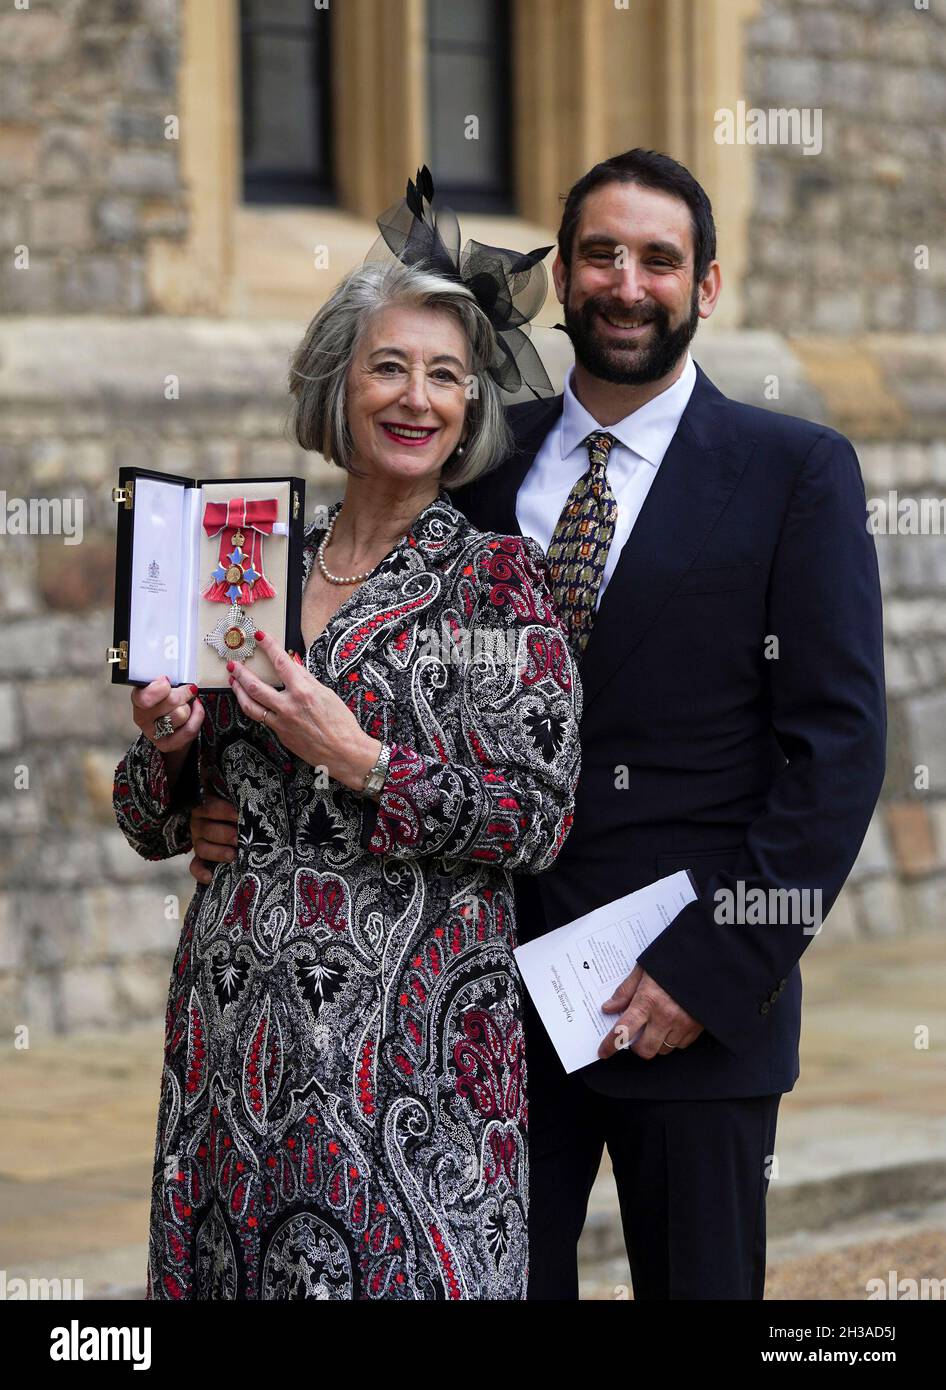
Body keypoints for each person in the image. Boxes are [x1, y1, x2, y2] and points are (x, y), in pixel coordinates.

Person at [452, 148, 886, 1299]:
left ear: (705, 286)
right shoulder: (480, 468)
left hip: (687, 1002)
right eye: (601, 254)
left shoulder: (793, 471)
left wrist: (711, 967)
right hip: (485, 1004)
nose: (626, 282)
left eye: (659, 258)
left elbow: (833, 755)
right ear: (566, 273)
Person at [111, 248, 582, 1300]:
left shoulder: (493, 582)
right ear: (338, 382)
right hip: (233, 1032)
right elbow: (148, 818)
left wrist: (360, 759)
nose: (418, 397)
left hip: (407, 1053)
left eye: (447, 374)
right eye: (389, 367)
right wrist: (170, 741)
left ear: (470, 406)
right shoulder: (252, 557)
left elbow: (537, 816)